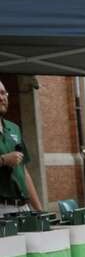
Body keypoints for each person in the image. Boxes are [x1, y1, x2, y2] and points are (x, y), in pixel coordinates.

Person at [0, 80, 43, 214]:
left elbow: (23, 172)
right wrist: (3, 160)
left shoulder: (14, 128)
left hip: (24, 207)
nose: (1, 98)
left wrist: (39, 210)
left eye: (3, 93)